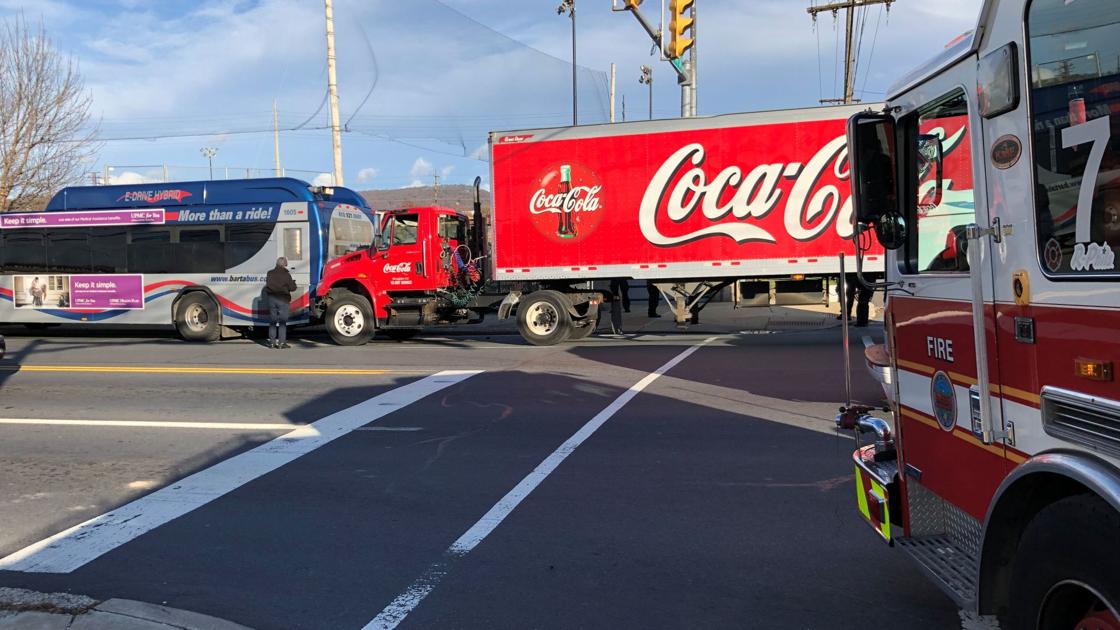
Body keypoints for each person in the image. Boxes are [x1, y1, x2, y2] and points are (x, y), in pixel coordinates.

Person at [265, 257, 297, 349]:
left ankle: (272, 343)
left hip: (272, 299)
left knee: (273, 322)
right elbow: (292, 288)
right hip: (283, 300)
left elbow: (268, 286)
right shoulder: (286, 274)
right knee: (282, 322)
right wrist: (293, 283)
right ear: (284, 264)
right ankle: (281, 343)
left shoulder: (269, 273)